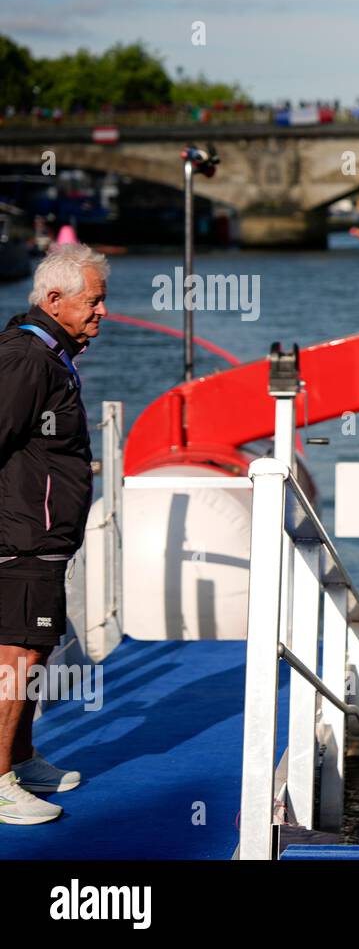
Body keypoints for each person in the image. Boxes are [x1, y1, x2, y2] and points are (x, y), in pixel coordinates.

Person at [0, 243, 109, 825]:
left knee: (36, 647)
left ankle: (20, 756)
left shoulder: (50, 354)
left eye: (103, 301)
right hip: (21, 536)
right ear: (54, 299)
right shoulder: (26, 359)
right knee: (15, 652)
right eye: (93, 301)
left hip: (42, 536)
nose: (101, 311)